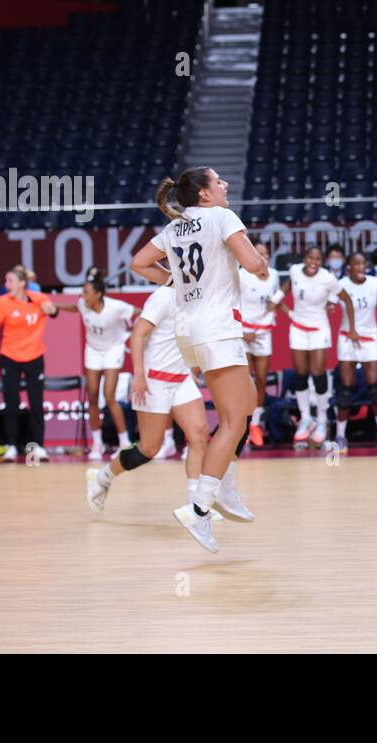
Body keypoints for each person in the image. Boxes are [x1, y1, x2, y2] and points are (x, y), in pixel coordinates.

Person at [130, 166, 266, 552]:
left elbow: (139, 263)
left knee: (246, 403)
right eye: (218, 181)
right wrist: (261, 267)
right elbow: (253, 263)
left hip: (188, 329)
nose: (224, 185)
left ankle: (226, 483)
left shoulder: (175, 227)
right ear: (204, 194)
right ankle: (201, 507)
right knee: (233, 419)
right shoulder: (222, 216)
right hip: (217, 328)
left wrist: (172, 282)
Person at [85, 282, 210, 516]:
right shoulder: (163, 296)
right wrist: (139, 375)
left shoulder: (197, 294)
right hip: (155, 379)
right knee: (149, 448)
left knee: (200, 435)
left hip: (181, 377)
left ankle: (196, 505)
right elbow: (138, 334)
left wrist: (194, 365)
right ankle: (103, 477)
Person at [51, 276, 140, 460]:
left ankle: (125, 442)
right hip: (93, 351)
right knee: (92, 396)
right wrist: (57, 306)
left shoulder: (116, 307)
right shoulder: (83, 304)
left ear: (98, 294)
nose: (83, 296)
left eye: (86, 292)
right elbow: (75, 308)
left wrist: (133, 331)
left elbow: (140, 313)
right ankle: (97, 444)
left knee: (109, 396)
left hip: (113, 350)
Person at [279, 245, 357, 448]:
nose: (313, 262)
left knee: (318, 372)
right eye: (310, 258)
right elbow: (289, 284)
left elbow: (346, 299)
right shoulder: (295, 270)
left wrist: (352, 327)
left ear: (321, 262)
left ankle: (322, 419)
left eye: (318, 259)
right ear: (305, 258)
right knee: (300, 373)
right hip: (297, 328)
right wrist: (277, 299)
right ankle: (306, 418)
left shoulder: (328, 278)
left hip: (319, 328)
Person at [0, 265, 55, 462]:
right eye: (6, 281)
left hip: (35, 356)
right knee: (11, 403)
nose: (6, 285)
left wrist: (51, 309)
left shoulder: (37, 298)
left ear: (22, 283)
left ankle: (38, 446)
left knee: (36, 403)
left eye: (10, 281)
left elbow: (51, 309)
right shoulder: (3, 302)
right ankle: (11, 446)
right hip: (10, 357)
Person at [333, 251, 377, 453]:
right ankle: (339, 435)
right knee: (346, 390)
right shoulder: (342, 284)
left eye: (363, 263)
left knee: (375, 388)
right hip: (347, 337)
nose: (361, 267)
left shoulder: (375, 284)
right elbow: (330, 301)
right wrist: (329, 305)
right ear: (349, 268)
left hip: (370, 338)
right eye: (356, 263)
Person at [239, 242, 282, 447]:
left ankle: (256, 423)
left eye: (265, 252)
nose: (262, 256)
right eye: (259, 252)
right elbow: (231, 302)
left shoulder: (273, 274)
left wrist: (258, 329)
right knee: (245, 381)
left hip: (263, 333)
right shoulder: (240, 273)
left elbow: (274, 303)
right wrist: (242, 330)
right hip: (244, 332)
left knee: (262, 380)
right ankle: (243, 425)